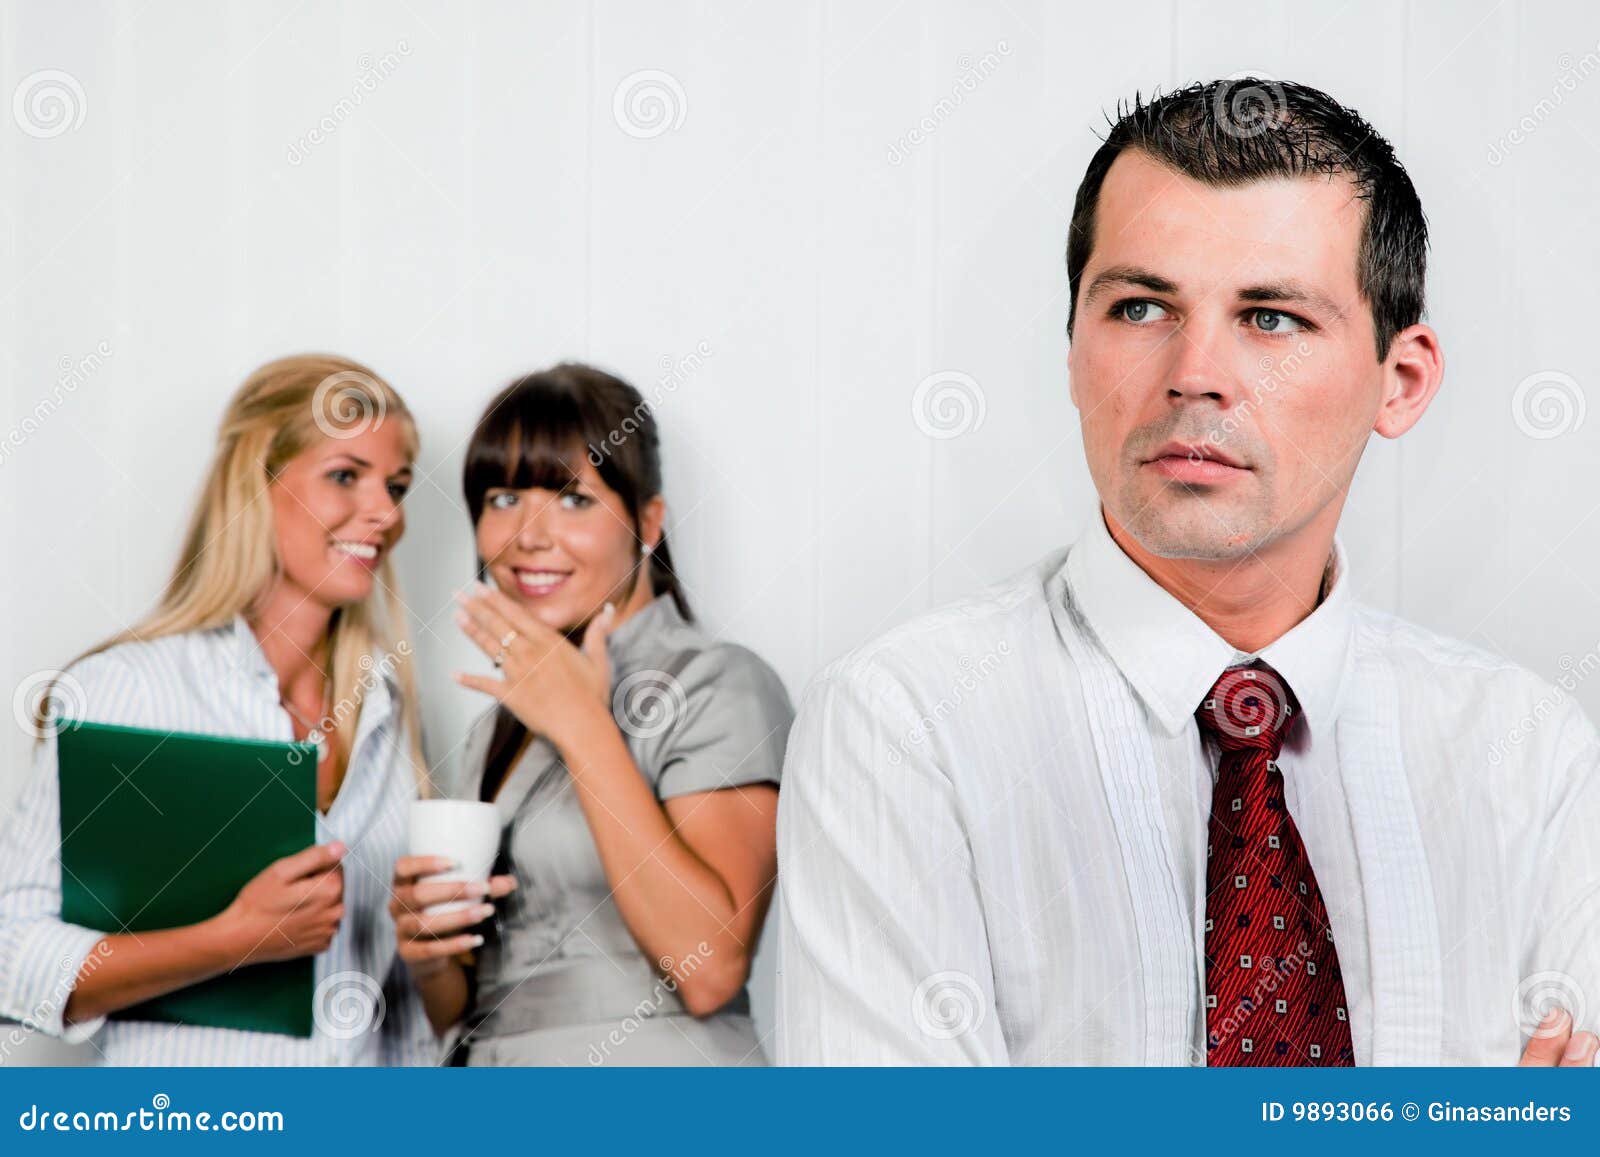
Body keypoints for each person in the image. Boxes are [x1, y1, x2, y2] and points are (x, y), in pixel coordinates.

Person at [775, 78, 1600, 1067]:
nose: (1192, 373)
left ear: (1401, 380)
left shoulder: (1531, 756)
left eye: (1271, 317)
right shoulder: (904, 725)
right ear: (1072, 351)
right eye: (1138, 307)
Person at [0, 354, 439, 1065]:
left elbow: (405, 1011)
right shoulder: (128, 691)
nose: (387, 514)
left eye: (396, 486)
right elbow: (14, 959)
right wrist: (232, 940)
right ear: (257, 482)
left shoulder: (387, 713)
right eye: (344, 475)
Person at [390, 362, 792, 1065]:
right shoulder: (498, 726)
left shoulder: (717, 683)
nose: (528, 536)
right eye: (503, 497)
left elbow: (709, 969)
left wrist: (582, 725)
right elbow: (470, 1007)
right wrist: (429, 956)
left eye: (573, 499)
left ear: (648, 522)